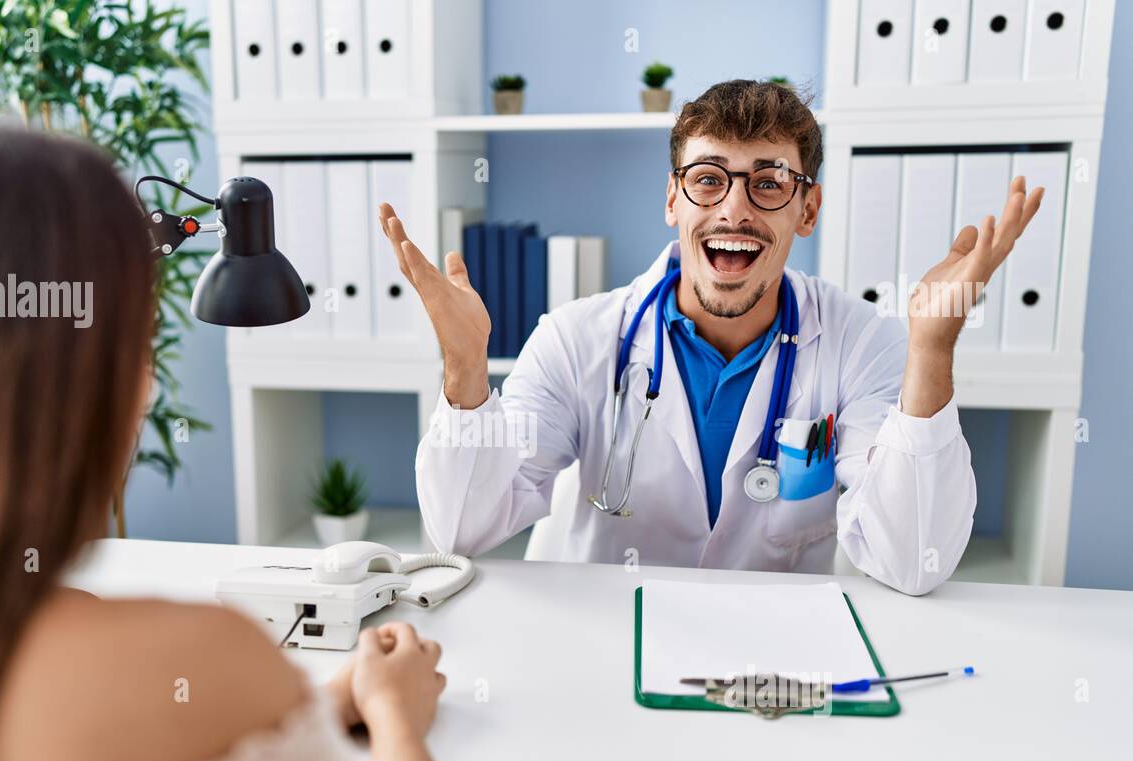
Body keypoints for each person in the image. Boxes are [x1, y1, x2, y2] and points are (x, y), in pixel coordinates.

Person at [0, 115, 454, 761]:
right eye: (136, 342)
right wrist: (393, 713)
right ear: (71, 390)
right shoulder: (169, 665)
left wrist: (292, 722)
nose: (150, 381)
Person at [380, 79, 1043, 596]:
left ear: (807, 209)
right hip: (593, 654)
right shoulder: (575, 338)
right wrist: (465, 368)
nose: (735, 207)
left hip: (765, 667)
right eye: (708, 179)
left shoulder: (858, 343)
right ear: (673, 199)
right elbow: (462, 529)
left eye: (768, 182)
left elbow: (914, 562)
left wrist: (931, 348)